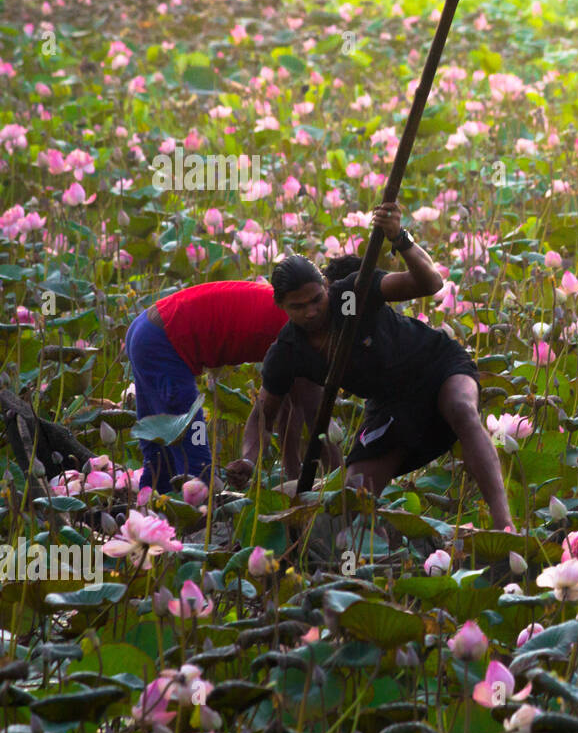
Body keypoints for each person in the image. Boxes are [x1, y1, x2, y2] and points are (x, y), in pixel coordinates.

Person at [234, 202, 516, 532]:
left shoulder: (354, 292)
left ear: (326, 287)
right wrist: (248, 459)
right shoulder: (287, 352)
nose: (311, 311)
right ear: (281, 307)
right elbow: (262, 415)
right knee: (355, 494)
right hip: (390, 403)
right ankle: (383, 554)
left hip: (436, 366)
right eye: (298, 307)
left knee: (461, 408)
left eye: (316, 300)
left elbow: (429, 283)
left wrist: (401, 239)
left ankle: (504, 528)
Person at [124, 271, 344, 493]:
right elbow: (316, 416)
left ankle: (155, 516)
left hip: (146, 328)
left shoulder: (296, 311)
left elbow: (291, 409)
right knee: (196, 458)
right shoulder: (302, 328)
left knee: (159, 456)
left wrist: (293, 476)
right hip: (163, 341)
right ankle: (202, 522)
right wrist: (342, 487)